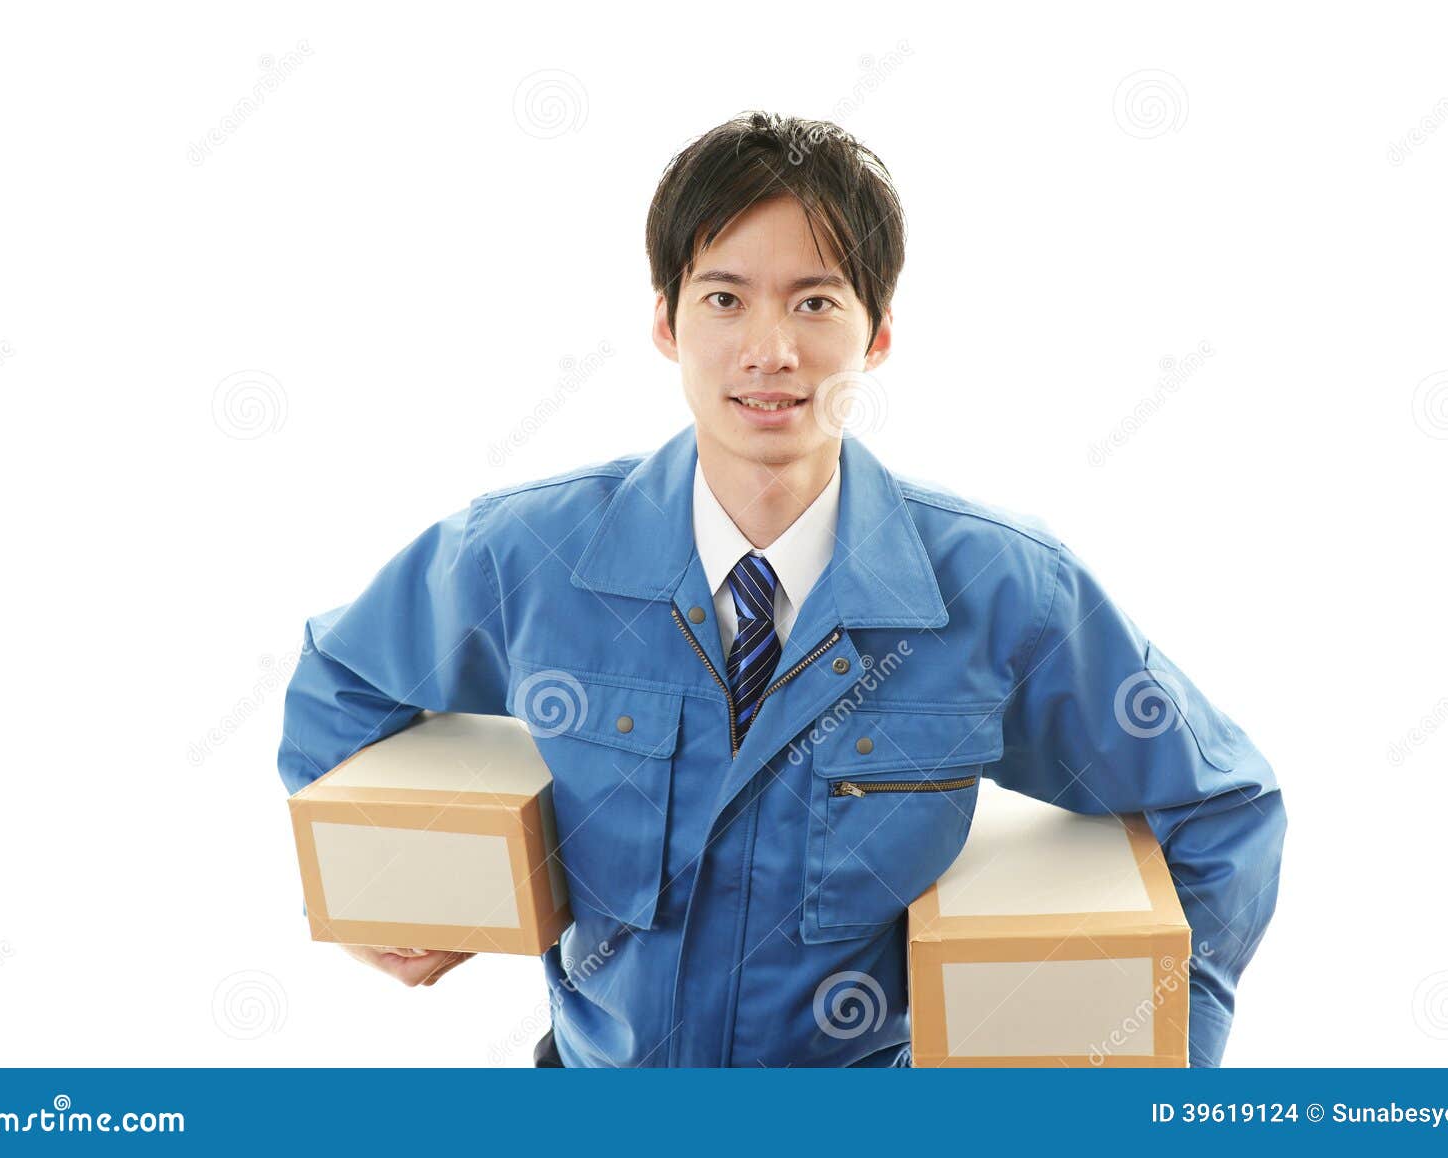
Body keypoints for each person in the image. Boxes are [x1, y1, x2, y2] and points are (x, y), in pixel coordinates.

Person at [277, 111, 1286, 1068]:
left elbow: (1222, 811)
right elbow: (340, 681)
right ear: (667, 322)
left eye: (814, 301)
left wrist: (1158, 1081)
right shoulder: (524, 555)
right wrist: (389, 898)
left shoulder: (1003, 591)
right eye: (725, 298)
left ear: (876, 333)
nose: (771, 350)